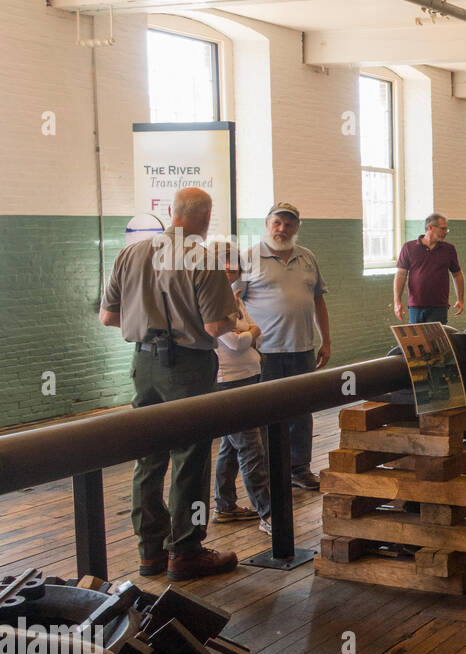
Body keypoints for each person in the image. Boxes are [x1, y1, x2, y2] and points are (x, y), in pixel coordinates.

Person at [98, 187, 239, 581]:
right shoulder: (203, 257)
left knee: (148, 456)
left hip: (143, 364)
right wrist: (238, 320)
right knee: (190, 459)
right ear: (206, 218)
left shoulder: (130, 253)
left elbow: (107, 318)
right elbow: (214, 326)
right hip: (188, 368)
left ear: (172, 213)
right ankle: (187, 552)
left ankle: (150, 552)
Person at [236, 203, 331, 491]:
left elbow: (318, 300)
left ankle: (299, 468)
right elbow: (233, 304)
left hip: (301, 348)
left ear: (297, 227)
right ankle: (266, 474)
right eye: (277, 223)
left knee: (302, 412)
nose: (282, 229)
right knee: (264, 413)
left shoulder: (307, 258)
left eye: (289, 224)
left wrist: (326, 340)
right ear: (267, 224)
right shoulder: (249, 258)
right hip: (264, 352)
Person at [212, 250, 273, 535]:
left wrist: (246, 334)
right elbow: (234, 342)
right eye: (222, 269)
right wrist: (250, 333)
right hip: (230, 383)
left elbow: (252, 334)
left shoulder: (235, 301)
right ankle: (269, 513)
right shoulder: (212, 304)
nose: (228, 274)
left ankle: (224, 506)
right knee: (251, 448)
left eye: (233, 270)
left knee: (230, 445)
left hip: (251, 377)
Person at [394, 213, 465, 324]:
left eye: (447, 229)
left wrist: (460, 299)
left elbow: (457, 274)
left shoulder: (449, 249)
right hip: (416, 305)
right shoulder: (409, 247)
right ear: (430, 227)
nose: (446, 232)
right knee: (417, 340)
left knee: (436, 340)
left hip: (439, 306)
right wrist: (397, 301)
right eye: (443, 228)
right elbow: (401, 275)